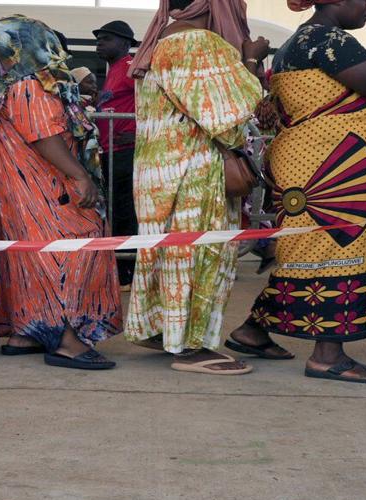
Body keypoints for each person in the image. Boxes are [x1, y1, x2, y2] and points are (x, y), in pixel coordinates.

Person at [224, 0, 366, 383]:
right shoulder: (327, 39)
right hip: (329, 168)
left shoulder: (304, 38)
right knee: (336, 252)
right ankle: (327, 356)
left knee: (307, 252)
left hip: (316, 163)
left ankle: (253, 331)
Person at [0, 14, 120, 370]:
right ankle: (67, 341)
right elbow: (43, 134)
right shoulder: (28, 85)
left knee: (27, 256)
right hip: (45, 188)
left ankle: (26, 331)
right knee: (68, 254)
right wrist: (79, 174)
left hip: (15, 192)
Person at [124, 0, 269, 375]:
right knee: (200, 258)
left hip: (159, 172)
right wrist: (252, 59)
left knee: (167, 256)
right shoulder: (196, 42)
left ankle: (162, 330)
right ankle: (191, 347)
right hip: (195, 174)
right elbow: (227, 119)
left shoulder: (162, 40)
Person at [92, 19, 138, 286]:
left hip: (127, 152)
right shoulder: (114, 70)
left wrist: (139, 132)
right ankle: (121, 269)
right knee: (116, 211)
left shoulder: (131, 66)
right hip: (111, 152)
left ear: (124, 43)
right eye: (98, 39)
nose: (99, 43)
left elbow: (154, 99)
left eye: (106, 39)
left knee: (125, 212)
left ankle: (127, 271)